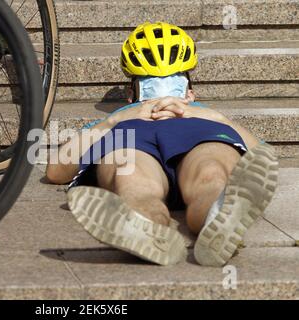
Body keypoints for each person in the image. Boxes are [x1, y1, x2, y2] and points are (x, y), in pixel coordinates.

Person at [45, 22, 279, 267]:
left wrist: (218, 118)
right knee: (131, 177)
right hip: (132, 137)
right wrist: (115, 119)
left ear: (190, 94)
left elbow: (263, 157)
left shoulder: (205, 114)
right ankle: (147, 228)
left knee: (211, 172)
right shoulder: (119, 118)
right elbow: (56, 170)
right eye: (149, 84)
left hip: (200, 132)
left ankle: (218, 219)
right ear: (130, 95)